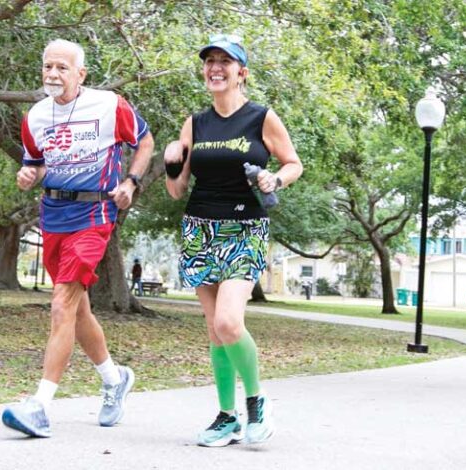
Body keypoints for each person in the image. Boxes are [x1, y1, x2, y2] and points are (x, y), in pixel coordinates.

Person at [1, 39, 154, 438]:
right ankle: (114, 377)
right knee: (77, 309)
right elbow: (34, 163)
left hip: (94, 213)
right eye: (47, 67)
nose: (53, 74)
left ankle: (40, 406)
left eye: (62, 68)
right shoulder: (34, 116)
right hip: (53, 215)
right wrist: (26, 175)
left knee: (61, 303)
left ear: (80, 74)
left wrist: (131, 182)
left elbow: (145, 141)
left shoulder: (108, 105)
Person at [163, 34, 303, 447]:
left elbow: (294, 162)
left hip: (244, 229)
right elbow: (177, 189)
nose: (215, 68)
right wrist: (172, 163)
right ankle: (227, 416)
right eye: (210, 61)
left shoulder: (261, 118)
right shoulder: (195, 123)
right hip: (200, 228)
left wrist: (275, 178)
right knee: (213, 329)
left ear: (242, 72)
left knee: (228, 322)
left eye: (226, 61)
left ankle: (257, 402)